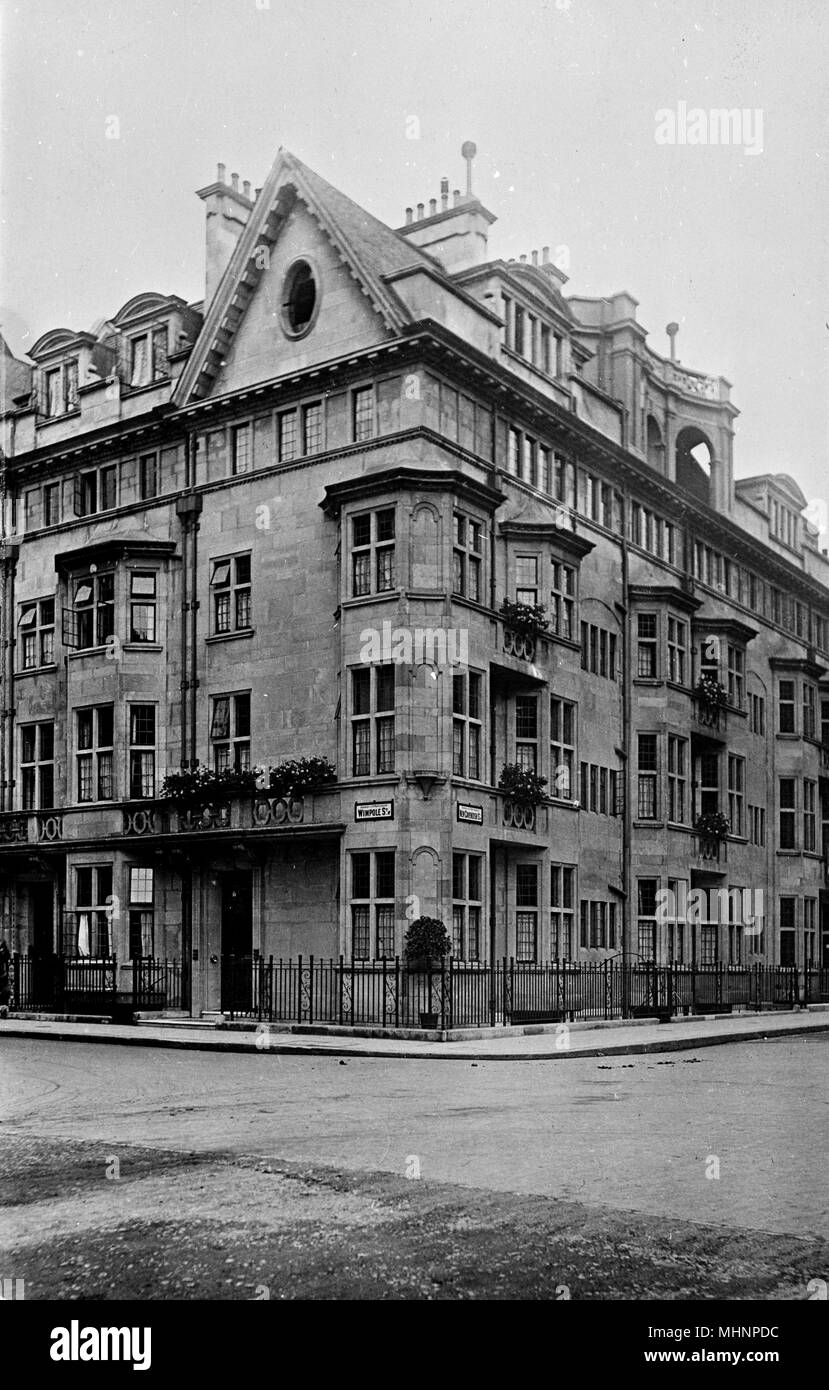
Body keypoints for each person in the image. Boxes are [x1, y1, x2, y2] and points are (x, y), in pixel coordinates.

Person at [0, 939, 10, 1017]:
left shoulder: (4, 953)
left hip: (3, 975)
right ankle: (3, 1009)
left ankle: (4, 1009)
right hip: (3, 975)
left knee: (4, 992)